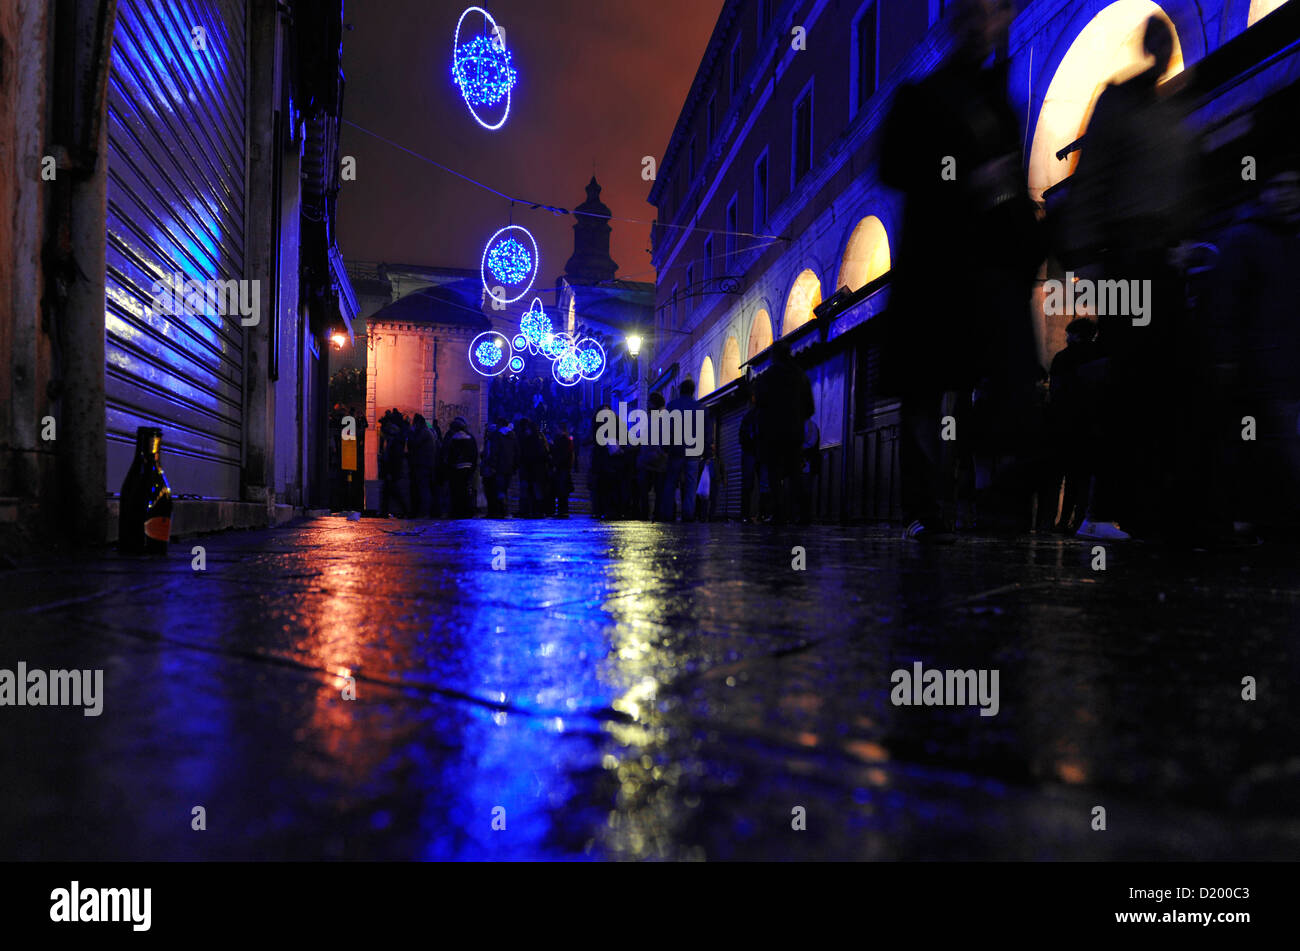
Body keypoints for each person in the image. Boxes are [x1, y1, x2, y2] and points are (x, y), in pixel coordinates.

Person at [880, 0, 1043, 541]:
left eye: (995, 12)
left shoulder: (1003, 104)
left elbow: (1013, 188)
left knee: (1011, 380)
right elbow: (892, 166)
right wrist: (964, 180)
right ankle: (924, 511)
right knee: (925, 395)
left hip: (988, 268)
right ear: (955, 23)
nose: (986, 22)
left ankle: (994, 502)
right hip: (934, 266)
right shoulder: (922, 97)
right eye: (975, 12)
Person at [1059, 14, 1196, 541]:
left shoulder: (1168, 111)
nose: (1164, 48)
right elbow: (1093, 179)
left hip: (1161, 260)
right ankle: (1103, 508)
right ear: (1147, 47)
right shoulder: (1119, 102)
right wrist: (1086, 256)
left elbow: (1180, 188)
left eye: (1170, 40)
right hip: (1126, 259)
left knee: (1162, 383)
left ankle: (1151, 506)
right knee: (1129, 384)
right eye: (1158, 40)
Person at [1213, 160, 1300, 539]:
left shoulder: (1245, 236)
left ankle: (1259, 518)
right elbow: (1227, 305)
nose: (1285, 194)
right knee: (1269, 443)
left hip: (1274, 364)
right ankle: (1263, 518)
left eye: (1291, 186)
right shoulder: (1247, 238)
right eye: (1278, 186)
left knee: (1266, 444)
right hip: (1262, 368)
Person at [1043, 318, 1098, 534]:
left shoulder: (1063, 358)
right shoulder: (1096, 355)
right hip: (1087, 423)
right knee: (1082, 477)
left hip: (1063, 423)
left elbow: (1055, 390)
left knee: (1059, 474)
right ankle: (1079, 520)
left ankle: (1058, 520)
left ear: (1074, 334)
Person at [755, 342, 814, 525]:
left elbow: (760, 406)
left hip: (773, 434)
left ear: (774, 356)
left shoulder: (767, 377)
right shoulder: (801, 376)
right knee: (795, 473)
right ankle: (804, 514)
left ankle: (779, 513)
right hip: (794, 433)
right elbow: (810, 408)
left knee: (774, 474)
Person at [659, 380, 702, 521]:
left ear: (680, 390)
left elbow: (665, 429)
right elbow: (705, 431)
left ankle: (667, 514)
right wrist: (706, 451)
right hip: (693, 451)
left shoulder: (671, 407)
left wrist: (665, 447)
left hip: (676, 450)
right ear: (693, 391)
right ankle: (688, 515)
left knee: (670, 483)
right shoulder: (699, 407)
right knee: (690, 486)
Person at [636, 391, 669, 519]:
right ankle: (657, 513)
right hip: (659, 461)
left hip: (648, 460)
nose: (647, 404)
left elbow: (638, 436)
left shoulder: (647, 419)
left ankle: (645, 514)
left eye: (649, 402)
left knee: (644, 491)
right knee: (658, 491)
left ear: (653, 404)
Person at [442, 417, 478, 518]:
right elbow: (474, 454)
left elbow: (450, 455)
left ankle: (457, 511)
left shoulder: (453, 439)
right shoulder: (470, 438)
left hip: (456, 469)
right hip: (468, 468)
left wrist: (449, 467)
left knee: (456, 491)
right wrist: (473, 467)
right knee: (467, 490)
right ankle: (467, 511)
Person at [408, 414, 440, 518]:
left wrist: (411, 432)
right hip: (427, 464)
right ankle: (426, 511)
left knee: (423, 489)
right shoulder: (429, 431)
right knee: (425, 489)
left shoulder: (423, 432)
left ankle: (425, 512)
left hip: (423, 464)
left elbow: (414, 443)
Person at [738, 387, 761, 522]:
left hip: (750, 453)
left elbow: (741, 436)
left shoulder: (749, 416)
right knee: (762, 484)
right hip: (757, 453)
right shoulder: (758, 415)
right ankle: (759, 513)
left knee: (748, 485)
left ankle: (746, 514)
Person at [551, 421, 575, 517]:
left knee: (562, 491)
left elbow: (563, 454)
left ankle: (563, 510)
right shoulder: (564, 439)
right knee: (562, 491)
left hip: (562, 468)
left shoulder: (563, 440)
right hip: (563, 467)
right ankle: (563, 510)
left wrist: (555, 463)